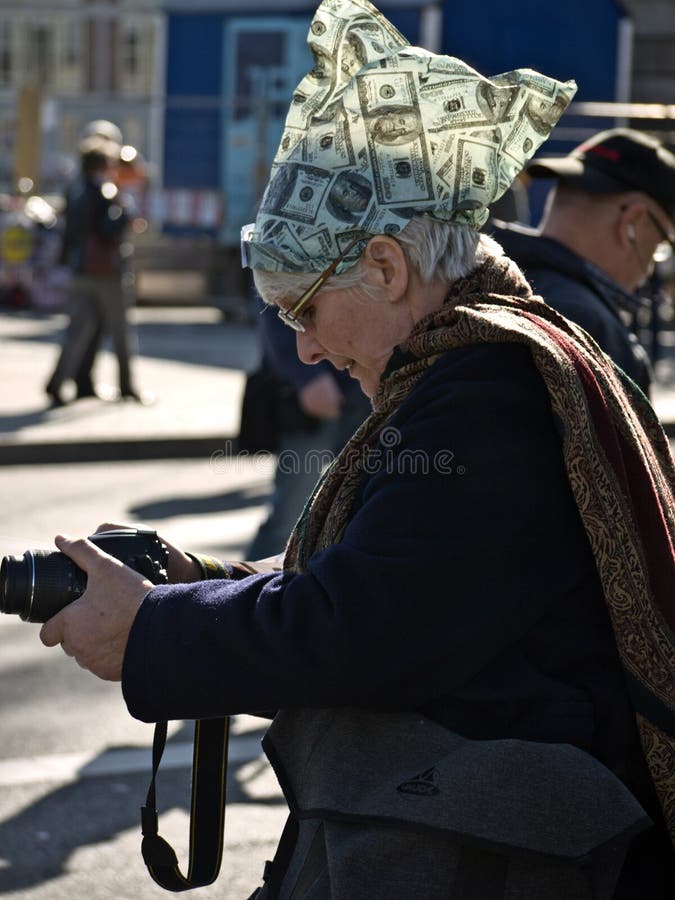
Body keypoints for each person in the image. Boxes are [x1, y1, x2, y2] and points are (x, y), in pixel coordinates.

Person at [38, 2, 674, 897]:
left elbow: (368, 630)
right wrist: (202, 579)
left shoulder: (487, 389)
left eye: (304, 307)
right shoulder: (473, 365)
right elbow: (394, 577)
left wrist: (150, 629)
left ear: (385, 266)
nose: (301, 346)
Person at [490, 128, 675, 397]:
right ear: (632, 223)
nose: (648, 270)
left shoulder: (473, 280)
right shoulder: (597, 337)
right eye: (658, 245)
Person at [247, 304, 370, 560]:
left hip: (362, 392)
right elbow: (273, 304)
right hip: (314, 398)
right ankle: (245, 589)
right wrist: (305, 376)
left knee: (362, 510)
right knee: (290, 518)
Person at [45, 136, 146, 406]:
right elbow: (108, 228)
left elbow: (69, 232)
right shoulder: (105, 192)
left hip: (80, 270)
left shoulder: (74, 191)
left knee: (77, 331)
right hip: (106, 272)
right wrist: (124, 214)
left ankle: (56, 383)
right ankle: (127, 387)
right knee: (121, 332)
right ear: (102, 165)